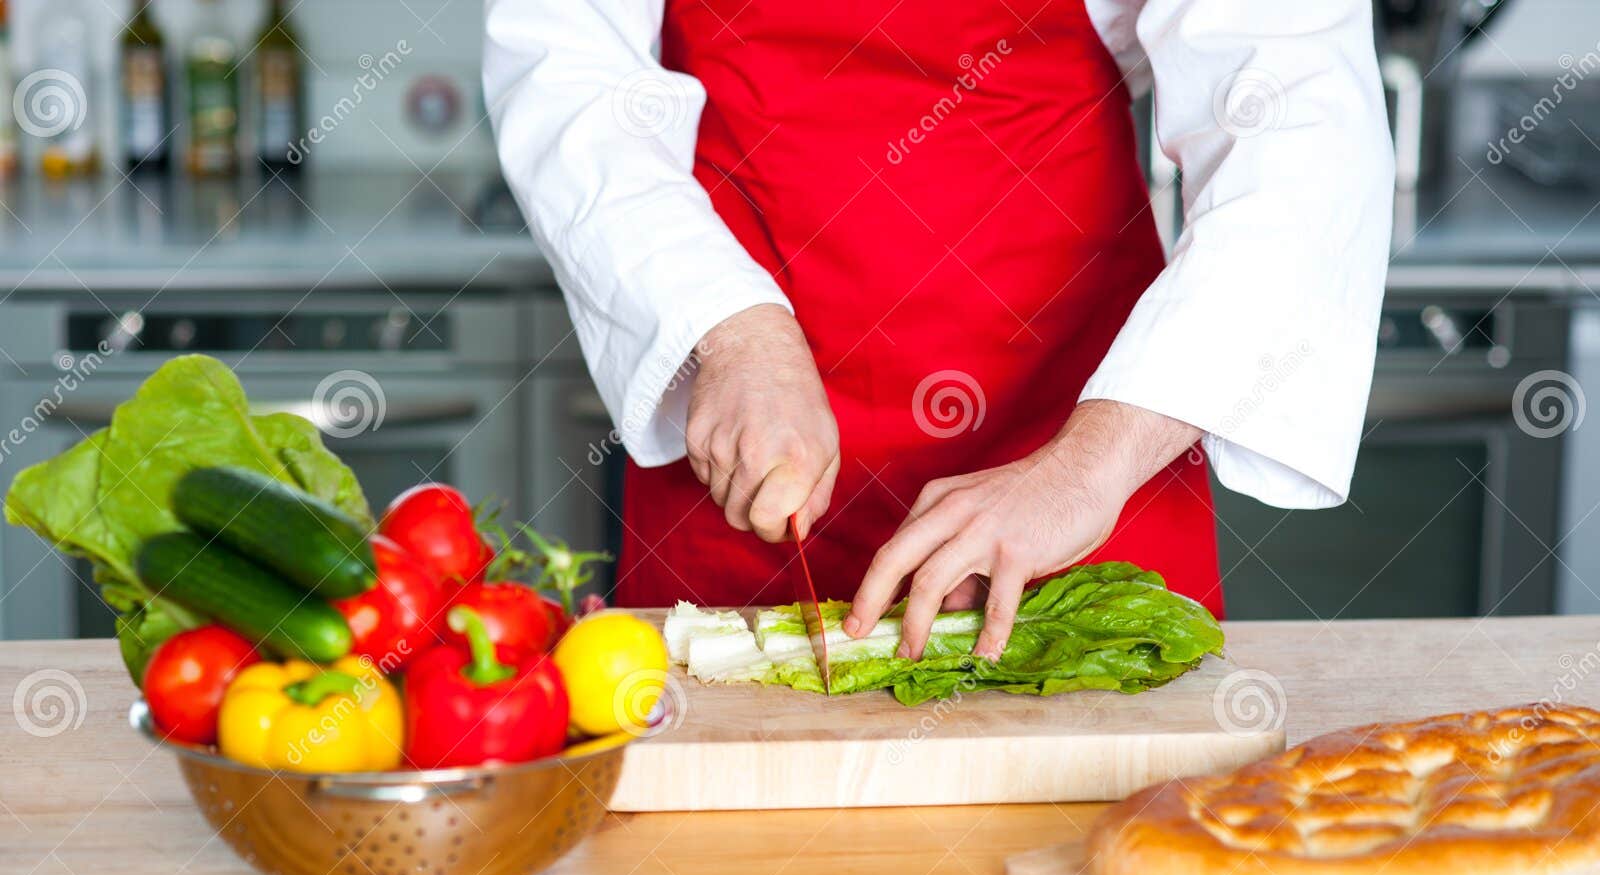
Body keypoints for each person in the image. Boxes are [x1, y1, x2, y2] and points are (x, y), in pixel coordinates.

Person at [484, 1, 1394, 659]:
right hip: (741, 415)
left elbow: (1299, 121)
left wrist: (1091, 465)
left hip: (1079, 427)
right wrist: (730, 329)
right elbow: (567, 71)